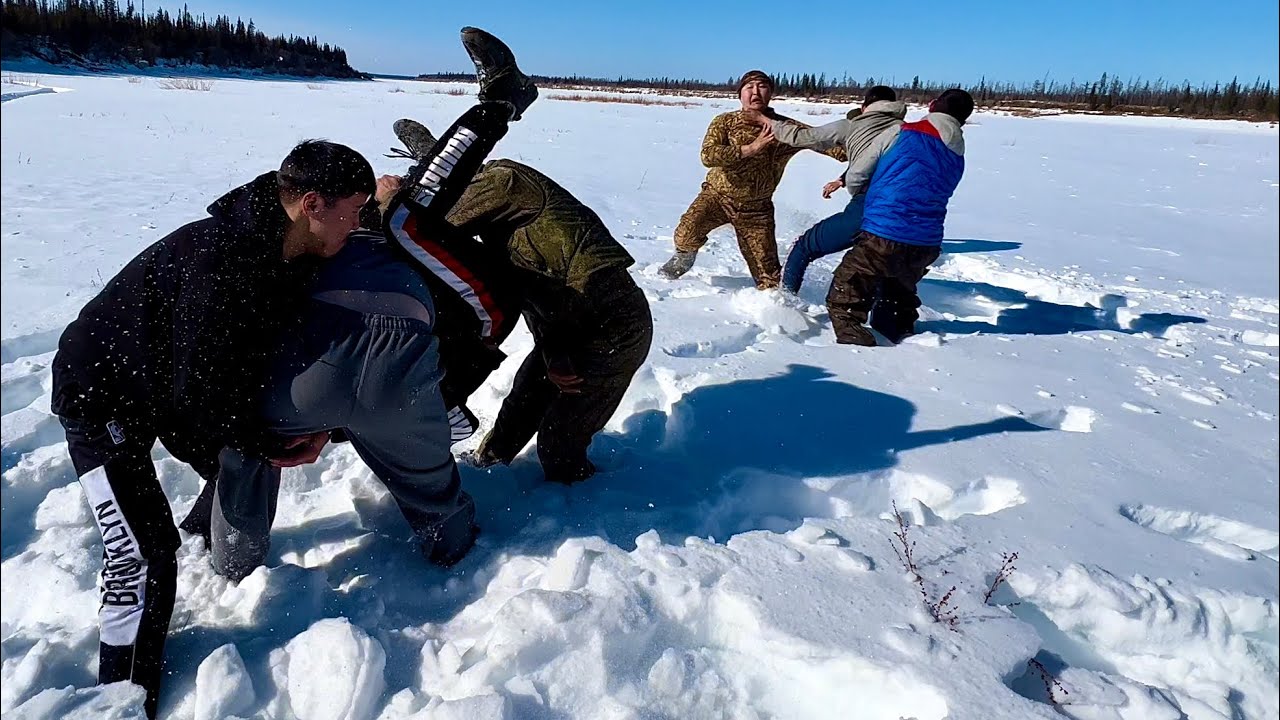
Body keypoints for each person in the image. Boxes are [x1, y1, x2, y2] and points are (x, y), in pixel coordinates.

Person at [180, 26, 538, 581]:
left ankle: (233, 568)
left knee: (245, 437)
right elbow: (436, 190)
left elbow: (223, 364)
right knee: (428, 486)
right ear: (318, 203)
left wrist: (256, 427)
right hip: (407, 370)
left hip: (314, 373)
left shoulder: (281, 243)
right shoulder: (389, 235)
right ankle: (454, 552)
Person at [50, 139, 375, 717]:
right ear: (311, 204)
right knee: (143, 557)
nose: (359, 223)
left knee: (229, 455)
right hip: (101, 394)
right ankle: (122, 700)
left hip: (163, 381)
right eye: (353, 210)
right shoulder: (221, 266)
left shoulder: (286, 246)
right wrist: (268, 444)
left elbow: (227, 380)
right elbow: (199, 400)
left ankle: (204, 529)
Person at [387, 118, 653, 485]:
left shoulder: (506, 181)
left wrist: (391, 200)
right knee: (522, 401)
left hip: (613, 327)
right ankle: (491, 468)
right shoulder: (490, 209)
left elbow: (428, 222)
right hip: (563, 324)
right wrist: (555, 353)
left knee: (559, 445)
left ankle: (584, 509)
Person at [659, 70, 845, 289]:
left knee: (770, 280)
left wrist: (868, 140)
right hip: (717, 198)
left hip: (757, 210)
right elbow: (707, 155)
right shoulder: (725, 122)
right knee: (685, 234)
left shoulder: (785, 129)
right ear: (740, 94)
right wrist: (750, 149)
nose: (755, 92)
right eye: (749, 87)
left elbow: (832, 148)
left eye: (762, 86)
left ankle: (777, 313)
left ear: (770, 93)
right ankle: (680, 263)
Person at [826, 89, 975, 346]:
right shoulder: (958, 153)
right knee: (899, 289)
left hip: (884, 229)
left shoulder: (901, 132)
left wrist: (860, 196)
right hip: (926, 240)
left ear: (932, 105)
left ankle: (852, 343)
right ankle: (900, 332)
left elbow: (858, 172)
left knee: (850, 285)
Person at [767, 85, 907, 293]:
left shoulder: (850, 126)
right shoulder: (906, 130)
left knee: (804, 247)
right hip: (907, 212)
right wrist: (842, 179)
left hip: (868, 206)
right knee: (885, 268)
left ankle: (784, 302)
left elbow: (803, 137)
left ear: (863, 107)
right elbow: (876, 158)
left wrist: (768, 122)